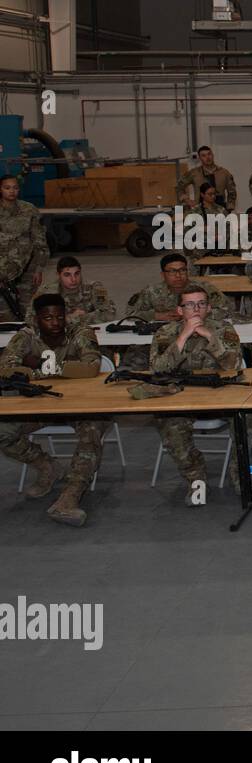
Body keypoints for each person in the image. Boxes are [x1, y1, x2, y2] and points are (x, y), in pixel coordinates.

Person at [0, 294, 107, 526]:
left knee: (91, 434)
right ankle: (47, 466)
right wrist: (58, 370)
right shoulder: (26, 336)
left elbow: (91, 367)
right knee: (3, 432)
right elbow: (5, 369)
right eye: (48, 318)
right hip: (39, 407)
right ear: (37, 319)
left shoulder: (81, 333)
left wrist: (39, 367)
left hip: (84, 405)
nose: (56, 323)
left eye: (60, 317)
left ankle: (70, 497)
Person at [149, 283, 243, 498]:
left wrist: (210, 338)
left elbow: (234, 365)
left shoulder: (223, 329)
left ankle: (242, 475)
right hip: (181, 399)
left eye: (201, 304)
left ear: (209, 308)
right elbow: (157, 370)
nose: (196, 310)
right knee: (170, 427)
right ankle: (195, 477)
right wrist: (182, 337)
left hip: (220, 398)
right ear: (180, 310)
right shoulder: (166, 332)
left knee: (247, 422)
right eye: (190, 305)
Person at [0, 173, 48, 320]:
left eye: (15, 188)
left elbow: (39, 240)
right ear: (0, 189)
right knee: (5, 314)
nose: (11, 191)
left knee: (27, 312)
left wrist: (39, 268)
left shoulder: (29, 210)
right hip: (2, 270)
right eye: (7, 188)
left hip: (27, 267)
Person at [33, 256, 116, 324]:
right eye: (67, 275)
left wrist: (75, 319)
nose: (73, 279)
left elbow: (109, 314)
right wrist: (69, 318)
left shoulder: (94, 287)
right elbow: (30, 318)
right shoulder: (47, 291)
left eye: (77, 274)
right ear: (58, 275)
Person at [176, 145, 237, 210]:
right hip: (200, 211)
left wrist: (229, 208)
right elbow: (179, 186)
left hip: (220, 211)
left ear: (213, 155)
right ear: (200, 158)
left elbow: (232, 192)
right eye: (203, 155)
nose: (207, 157)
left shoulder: (224, 173)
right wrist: (187, 200)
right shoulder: (194, 173)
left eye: (209, 154)